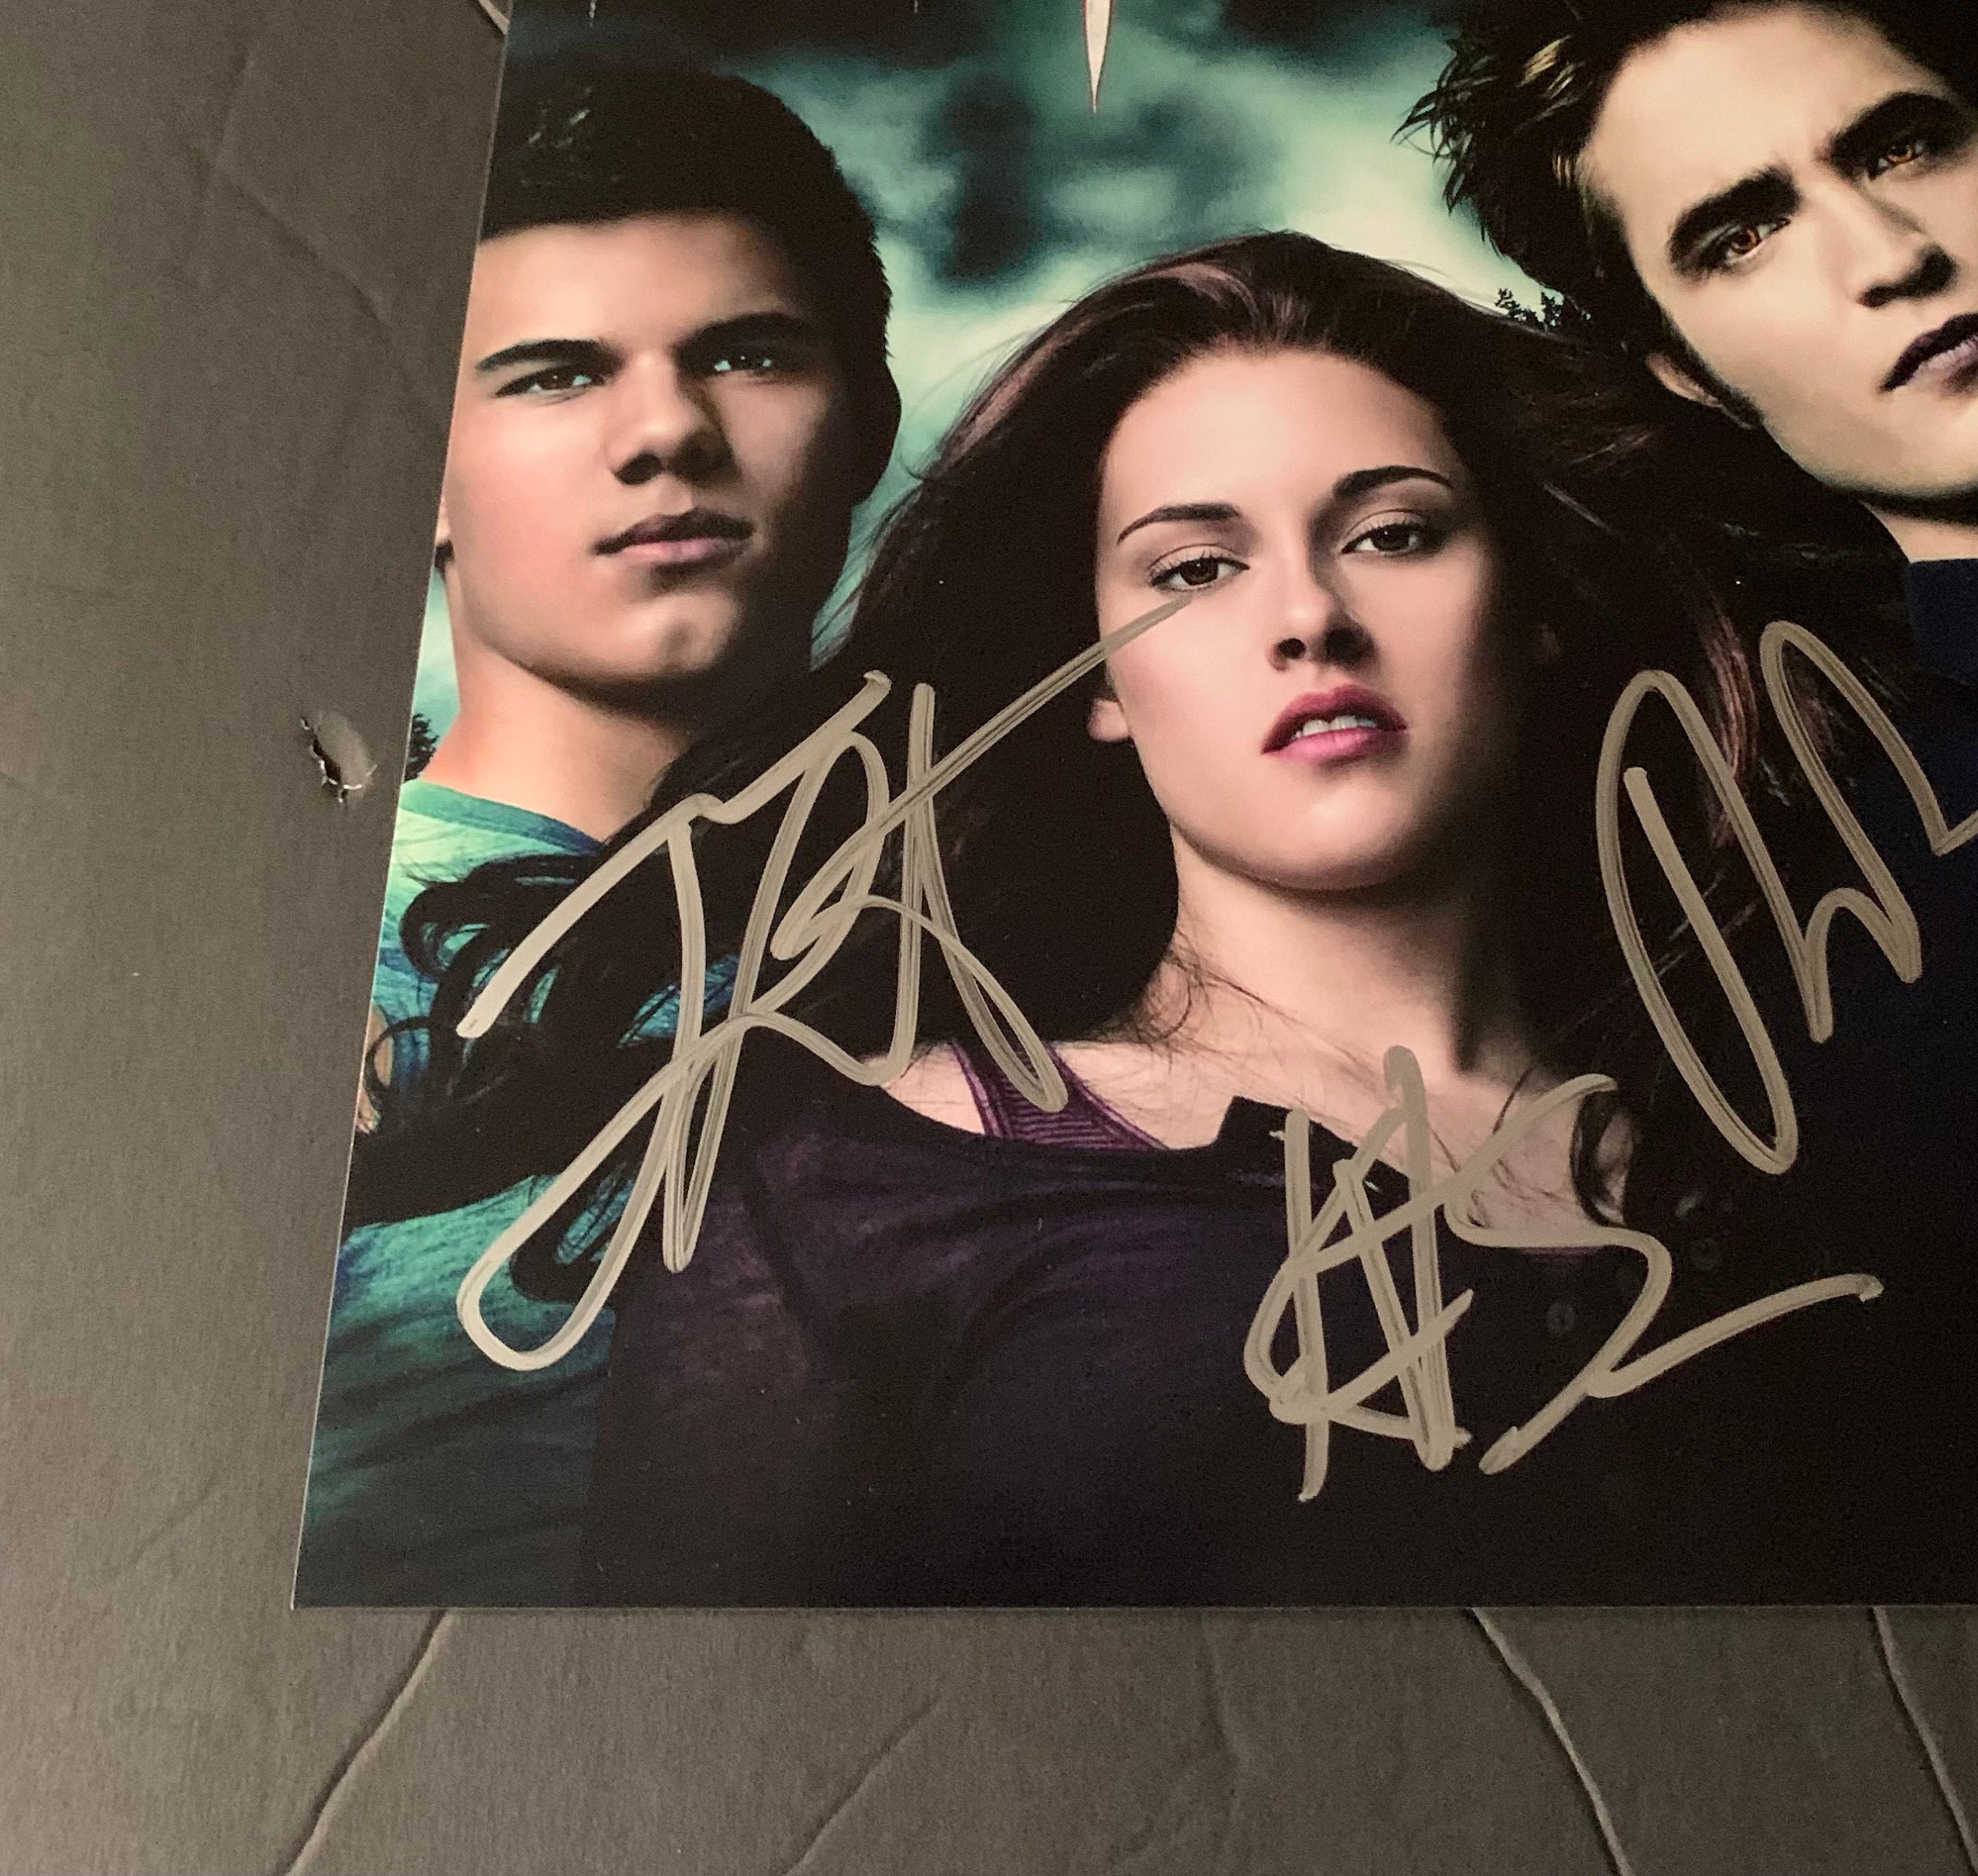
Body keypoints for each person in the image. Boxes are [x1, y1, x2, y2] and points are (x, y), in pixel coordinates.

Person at [437, 232, 1834, 1604]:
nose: (1310, 615)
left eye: (1393, 534)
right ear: (1095, 679)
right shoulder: (853, 1190)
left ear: (1532, 606)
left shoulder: (1791, 1140)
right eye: (1194, 569)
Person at [1409, 0, 1978, 1598]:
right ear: (1681, 370)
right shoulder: (1872, 927)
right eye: (1741, 234)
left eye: (1904, 146)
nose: (1887, 254)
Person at [297, 67, 901, 1604]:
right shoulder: (285, 955)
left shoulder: (1023, 914)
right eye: (555, 375)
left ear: (870, 424)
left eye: (748, 355)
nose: (667, 432)